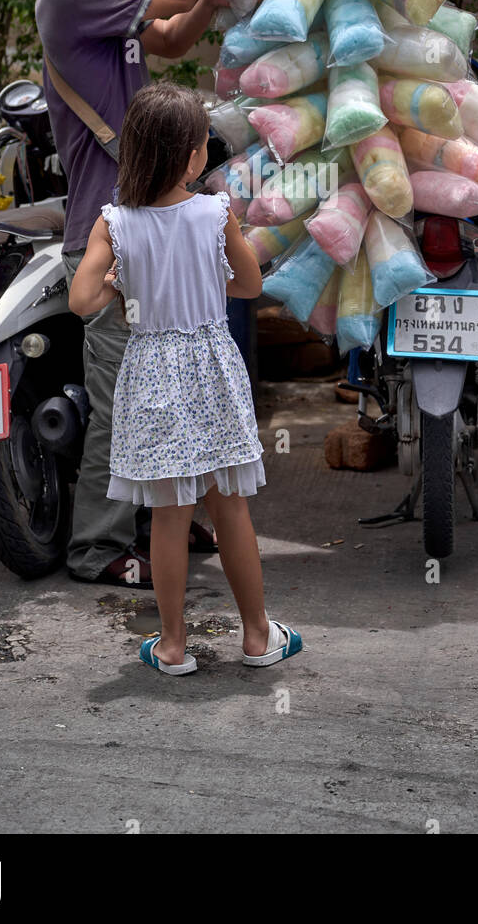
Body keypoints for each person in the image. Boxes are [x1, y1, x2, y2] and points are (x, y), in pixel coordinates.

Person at [36, 0, 230, 588]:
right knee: (121, 399)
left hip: (148, 229)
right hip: (107, 236)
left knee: (165, 389)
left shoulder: (106, 7)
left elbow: (176, 33)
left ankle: (157, 523)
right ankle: (97, 546)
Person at [67, 82, 302, 675]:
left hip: (150, 369)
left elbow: (81, 299)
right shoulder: (215, 212)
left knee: (170, 513)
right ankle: (257, 636)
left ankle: (173, 646)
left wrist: (124, 280)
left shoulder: (113, 223)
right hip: (212, 368)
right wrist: (203, 280)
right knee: (231, 508)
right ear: (194, 155)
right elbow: (249, 285)